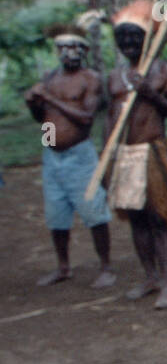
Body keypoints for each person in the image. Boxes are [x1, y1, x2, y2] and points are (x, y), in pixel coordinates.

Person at [105, 0, 167, 310]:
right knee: (136, 220)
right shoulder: (115, 76)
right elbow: (109, 119)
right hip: (123, 155)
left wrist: (152, 95)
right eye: (122, 37)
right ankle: (150, 276)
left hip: (152, 152)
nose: (128, 43)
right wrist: (107, 161)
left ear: (147, 39)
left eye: (134, 36)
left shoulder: (164, 71)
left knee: (158, 219)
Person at [25, 21, 114, 288]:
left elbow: (86, 117)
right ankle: (63, 267)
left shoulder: (91, 79)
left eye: (74, 46)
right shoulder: (50, 78)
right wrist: (34, 104)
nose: (68, 52)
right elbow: (44, 118)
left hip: (79, 155)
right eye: (63, 47)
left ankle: (107, 267)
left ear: (84, 50)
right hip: (52, 156)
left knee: (94, 211)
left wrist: (50, 99)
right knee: (56, 215)